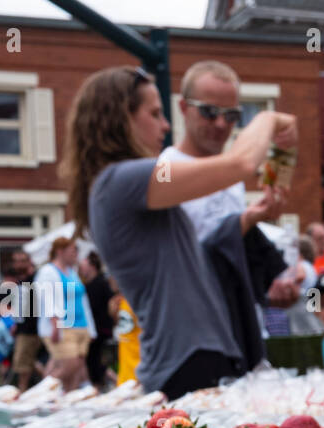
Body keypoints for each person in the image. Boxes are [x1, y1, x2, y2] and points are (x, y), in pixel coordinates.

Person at [60, 65, 297, 396]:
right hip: (186, 361)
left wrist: (246, 220)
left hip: (188, 358)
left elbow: (193, 259)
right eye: (155, 114)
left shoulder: (117, 184)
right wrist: (268, 120)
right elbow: (240, 164)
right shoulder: (122, 180)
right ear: (121, 118)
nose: (166, 125)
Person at [158, 61, 296, 361]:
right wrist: (247, 219)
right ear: (183, 108)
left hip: (237, 324)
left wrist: (269, 285)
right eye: (209, 112)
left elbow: (228, 252)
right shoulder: (166, 168)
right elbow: (184, 258)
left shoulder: (231, 176)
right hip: (191, 335)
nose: (221, 124)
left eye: (232, 115)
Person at [34, 236, 96, 391]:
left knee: (77, 369)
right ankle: (41, 393)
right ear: (60, 251)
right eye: (73, 249)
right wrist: (55, 325)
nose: (76, 253)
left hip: (80, 326)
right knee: (69, 364)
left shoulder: (72, 272)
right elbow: (48, 299)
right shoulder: (47, 272)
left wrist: (90, 329)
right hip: (63, 326)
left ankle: (68, 399)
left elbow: (83, 300)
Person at [79, 251, 115, 387]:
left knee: (95, 361)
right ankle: (103, 383)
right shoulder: (89, 284)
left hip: (100, 329)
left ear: (92, 266)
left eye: (84, 265)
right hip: (95, 329)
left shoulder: (101, 283)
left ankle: (109, 381)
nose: (81, 268)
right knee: (94, 361)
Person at [8, 248, 42, 390]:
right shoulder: (20, 282)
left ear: (29, 262)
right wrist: (15, 323)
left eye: (22, 261)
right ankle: (51, 383)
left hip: (32, 329)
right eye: (16, 261)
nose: (18, 264)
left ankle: (22, 391)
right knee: (28, 362)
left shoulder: (36, 279)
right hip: (23, 328)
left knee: (22, 365)